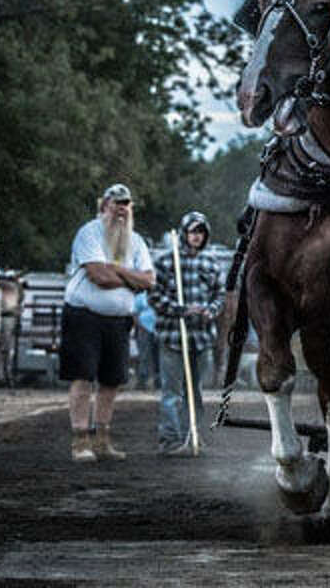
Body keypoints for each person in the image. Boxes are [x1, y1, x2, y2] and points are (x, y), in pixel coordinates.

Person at [60, 183, 154, 462]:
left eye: (126, 204)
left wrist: (117, 269)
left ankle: (102, 440)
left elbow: (149, 280)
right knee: (83, 378)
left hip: (118, 321)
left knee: (112, 381)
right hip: (84, 316)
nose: (122, 209)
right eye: (117, 204)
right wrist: (130, 279)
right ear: (104, 206)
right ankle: (80, 440)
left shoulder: (136, 241)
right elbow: (97, 276)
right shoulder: (89, 233)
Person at [149, 211, 224, 455]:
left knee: (196, 391)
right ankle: (170, 439)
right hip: (173, 336)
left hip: (201, 337)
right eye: (193, 231)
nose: (197, 236)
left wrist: (210, 311)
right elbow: (153, 295)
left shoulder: (211, 262)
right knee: (173, 392)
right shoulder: (165, 261)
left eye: (201, 232)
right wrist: (180, 310)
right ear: (184, 233)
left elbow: (220, 295)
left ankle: (192, 434)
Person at [133, 292, 159, 391]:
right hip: (144, 329)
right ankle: (143, 381)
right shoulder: (140, 297)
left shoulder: (160, 295)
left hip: (158, 329)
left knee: (158, 356)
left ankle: (157, 382)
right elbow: (135, 313)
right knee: (144, 355)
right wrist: (140, 327)